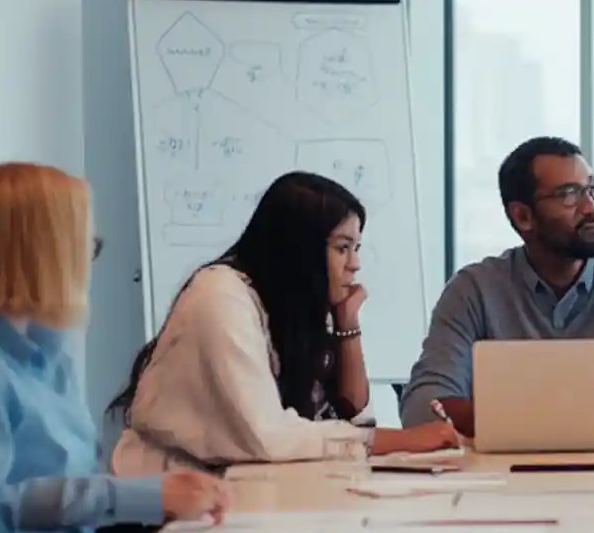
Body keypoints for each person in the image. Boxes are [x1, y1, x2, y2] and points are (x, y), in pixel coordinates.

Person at [0, 163, 228, 533]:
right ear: (42, 253)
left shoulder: (47, 351)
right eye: (86, 245)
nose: (88, 261)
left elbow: (73, 486)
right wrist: (144, 496)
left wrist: (159, 496)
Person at [109, 172, 457, 476]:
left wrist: (347, 324)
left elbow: (351, 419)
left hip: (231, 488)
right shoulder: (220, 296)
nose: (356, 263)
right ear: (300, 249)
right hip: (162, 501)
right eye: (343, 248)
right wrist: (404, 439)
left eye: (357, 247)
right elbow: (266, 435)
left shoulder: (294, 303)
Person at [399, 137, 594, 433]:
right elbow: (421, 407)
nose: (591, 208)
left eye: (592, 189)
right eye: (569, 195)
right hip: (505, 488)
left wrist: (577, 417)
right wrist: (552, 418)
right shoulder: (475, 291)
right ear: (523, 217)